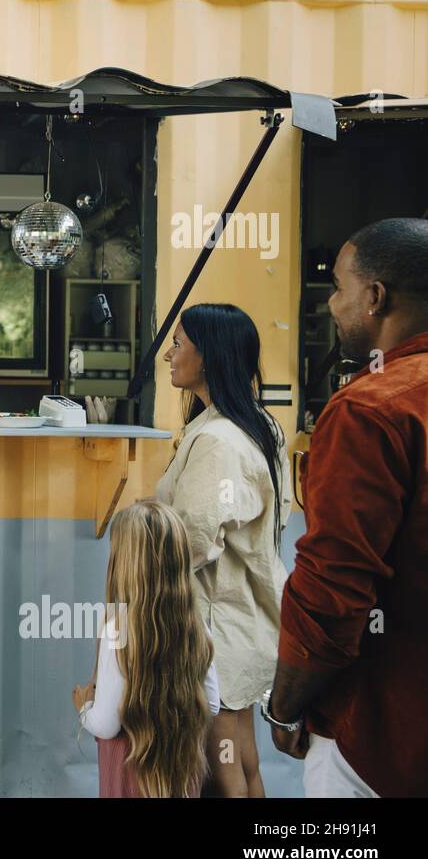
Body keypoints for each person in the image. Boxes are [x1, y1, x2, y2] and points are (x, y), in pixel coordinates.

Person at [267, 218, 428, 798]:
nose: (332, 304)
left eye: (337, 287)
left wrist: (286, 706)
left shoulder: (370, 409)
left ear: (375, 296)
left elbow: (334, 585)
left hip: (379, 733)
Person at [155, 303, 290, 797]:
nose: (169, 354)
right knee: (242, 760)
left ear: (207, 356)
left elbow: (191, 538)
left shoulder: (217, 439)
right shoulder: (257, 425)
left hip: (216, 631)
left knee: (222, 768)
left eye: (179, 343)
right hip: (242, 626)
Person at [74, 500, 220, 798]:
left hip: (130, 778)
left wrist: (83, 706)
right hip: (181, 776)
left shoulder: (118, 630)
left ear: (123, 563)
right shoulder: (197, 627)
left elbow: (105, 725)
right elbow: (213, 706)